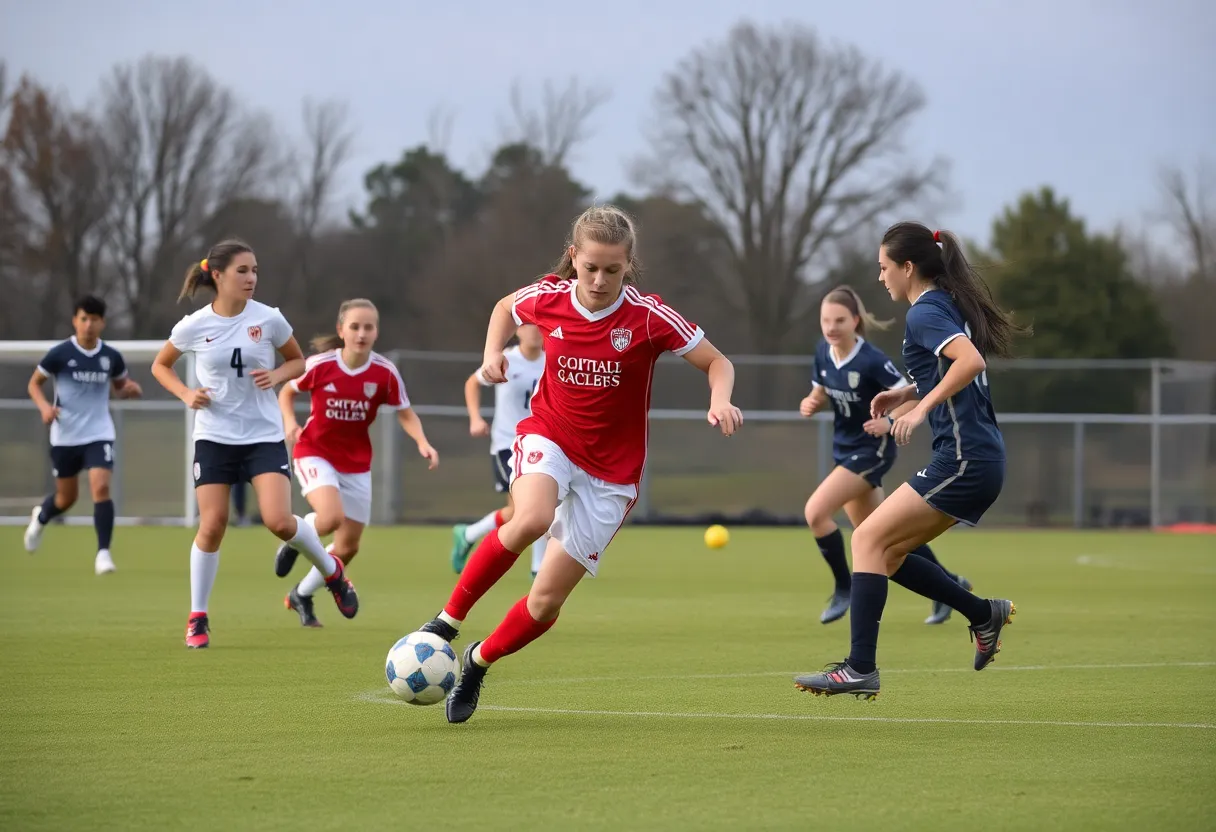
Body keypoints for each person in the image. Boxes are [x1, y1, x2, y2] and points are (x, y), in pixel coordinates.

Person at [414, 204, 743, 724]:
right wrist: (491, 353)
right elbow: (504, 307)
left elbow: (717, 361)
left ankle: (477, 661)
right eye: (590, 267)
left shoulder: (649, 316)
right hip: (551, 435)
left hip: (613, 474)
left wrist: (719, 398)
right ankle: (445, 622)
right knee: (531, 519)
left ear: (628, 265)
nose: (599, 280)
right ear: (574, 257)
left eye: (613, 270)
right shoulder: (548, 297)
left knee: (545, 603)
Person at [794, 223, 1027, 699]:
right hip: (973, 458)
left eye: (884, 268)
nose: (880, 279)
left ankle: (860, 668)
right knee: (889, 553)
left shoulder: (925, 312)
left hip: (966, 460)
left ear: (906, 267)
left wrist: (918, 410)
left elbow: (970, 363)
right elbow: (952, 366)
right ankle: (982, 613)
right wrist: (906, 391)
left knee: (867, 539)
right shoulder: (942, 304)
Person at [150, 239, 359, 649]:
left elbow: (298, 361)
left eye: (255, 270)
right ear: (218, 275)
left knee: (280, 522)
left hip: (262, 437)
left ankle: (331, 572)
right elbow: (161, 365)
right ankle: (198, 617)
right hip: (214, 438)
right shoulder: (194, 325)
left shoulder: (269, 319)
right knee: (212, 525)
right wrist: (185, 394)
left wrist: (280, 374)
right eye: (243, 270)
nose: (252, 278)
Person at [799, 285, 970, 626]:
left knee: (816, 513)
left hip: (872, 451)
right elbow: (820, 388)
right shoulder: (823, 352)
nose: (831, 327)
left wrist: (890, 421)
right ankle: (949, 586)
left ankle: (843, 588)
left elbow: (912, 394)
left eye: (839, 320)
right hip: (845, 451)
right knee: (879, 533)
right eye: (825, 320)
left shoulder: (871, 360)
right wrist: (813, 400)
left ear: (856, 321)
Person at [274, 298, 439, 627]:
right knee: (330, 517)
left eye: (368, 327)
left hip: (356, 464)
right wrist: (290, 422)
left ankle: (301, 594)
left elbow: (405, 412)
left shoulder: (384, 373)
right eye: (355, 326)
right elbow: (286, 392)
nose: (361, 333)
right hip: (314, 451)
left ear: (376, 332)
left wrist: (422, 441)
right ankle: (298, 532)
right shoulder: (321, 364)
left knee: (347, 547)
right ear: (341, 331)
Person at [23, 295, 142, 574]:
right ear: (75, 321)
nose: (88, 325)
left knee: (100, 488)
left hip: (99, 432)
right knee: (66, 499)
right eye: (83, 319)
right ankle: (40, 518)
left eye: (94, 320)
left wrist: (130, 391)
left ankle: (103, 554)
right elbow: (34, 384)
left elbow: (121, 387)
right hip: (65, 435)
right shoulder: (60, 354)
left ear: (102, 323)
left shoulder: (110, 356)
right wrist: (44, 408)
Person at [450, 322, 546, 577]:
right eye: (528, 325)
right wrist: (475, 418)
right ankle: (538, 569)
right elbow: (473, 382)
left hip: (542, 444)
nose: (535, 331)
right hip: (508, 445)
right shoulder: (507, 360)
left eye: (540, 325)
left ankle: (468, 534)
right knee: (531, 506)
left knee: (533, 507)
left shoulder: (553, 361)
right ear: (517, 330)